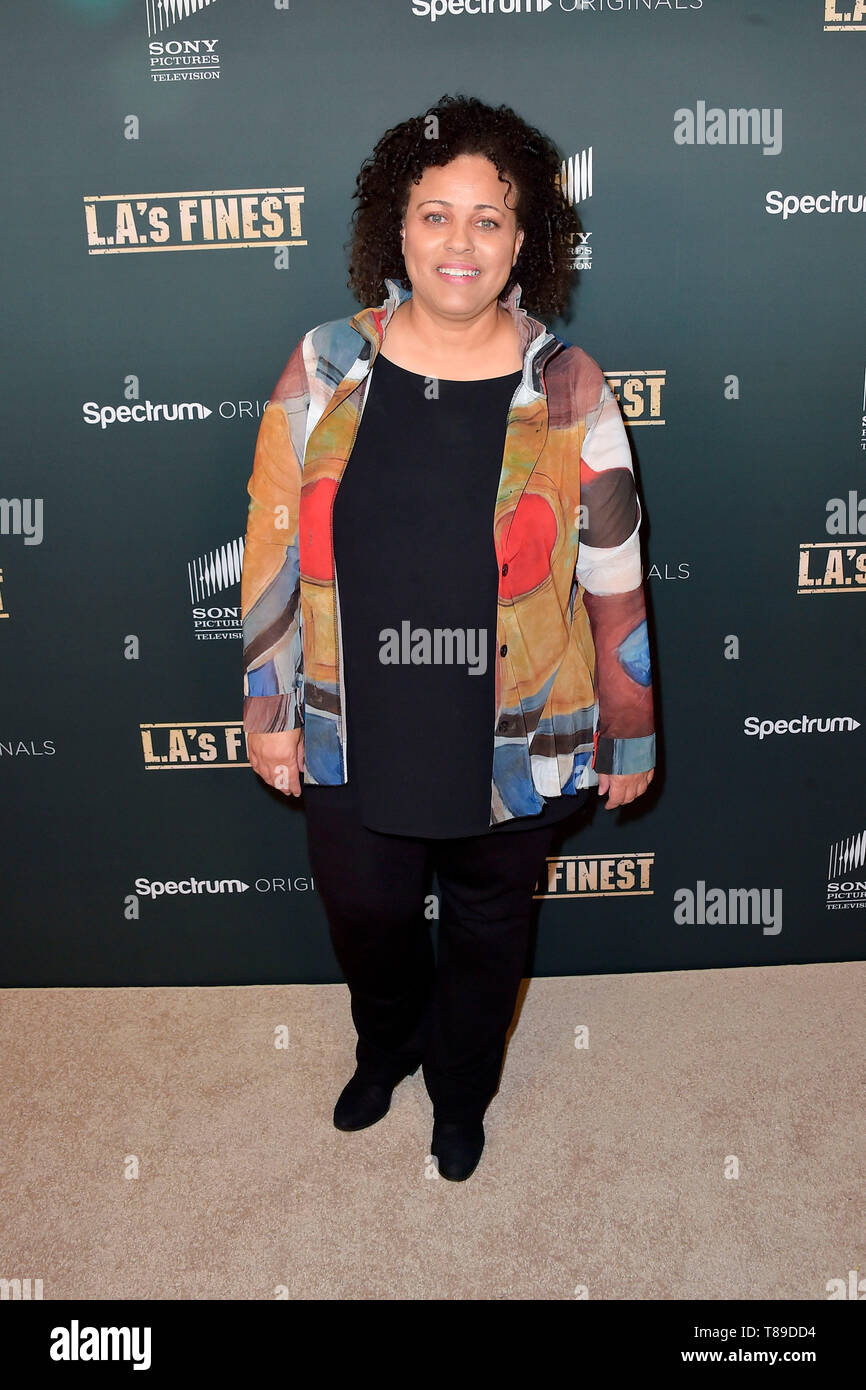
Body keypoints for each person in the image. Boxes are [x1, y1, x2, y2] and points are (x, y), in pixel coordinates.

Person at [241, 94, 656, 1182]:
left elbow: (613, 568)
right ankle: (388, 1048)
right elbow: (272, 540)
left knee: (485, 931)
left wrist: (630, 724)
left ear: (524, 242)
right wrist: (265, 703)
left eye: (488, 218)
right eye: (435, 215)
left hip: (515, 730)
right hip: (350, 718)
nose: (459, 242)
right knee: (368, 921)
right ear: (398, 230)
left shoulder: (567, 384)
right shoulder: (326, 363)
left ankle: (460, 1094)